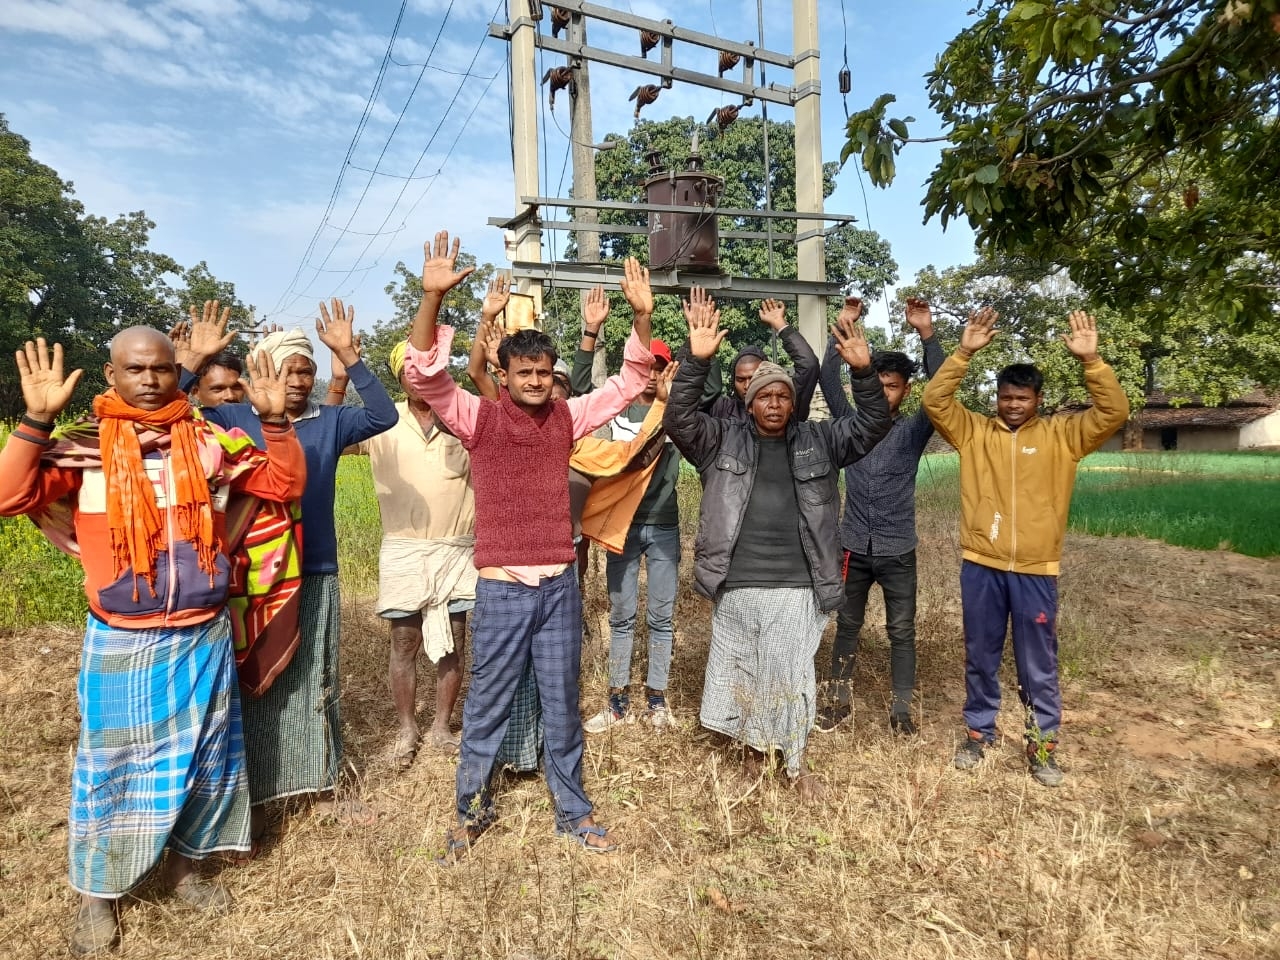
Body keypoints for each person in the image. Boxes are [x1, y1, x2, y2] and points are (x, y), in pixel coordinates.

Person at [0, 331, 306, 954]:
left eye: (162, 369)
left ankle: (186, 871)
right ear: (111, 377)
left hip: (202, 634)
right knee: (108, 766)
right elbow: (9, 496)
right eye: (135, 369)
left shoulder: (211, 444)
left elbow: (283, 484)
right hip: (122, 639)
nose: (149, 380)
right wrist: (35, 421)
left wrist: (274, 423)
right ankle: (97, 896)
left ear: (178, 375)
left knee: (204, 762)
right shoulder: (80, 450)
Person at [403, 231, 654, 860]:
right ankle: (468, 813)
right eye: (525, 373)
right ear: (505, 377)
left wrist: (642, 316)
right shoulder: (479, 417)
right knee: (485, 706)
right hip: (502, 590)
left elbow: (627, 384)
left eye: (545, 373)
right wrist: (431, 299)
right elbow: (427, 375)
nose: (537, 382)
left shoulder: (567, 417)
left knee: (564, 705)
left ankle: (573, 812)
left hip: (559, 589)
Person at [178, 299, 397, 829]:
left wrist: (349, 355)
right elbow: (167, 412)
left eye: (306, 369)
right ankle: (250, 789)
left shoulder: (331, 421)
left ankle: (320, 786)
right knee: (252, 677)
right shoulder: (230, 417)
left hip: (315, 566)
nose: (297, 380)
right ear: (262, 369)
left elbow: (385, 415)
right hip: (247, 573)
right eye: (286, 369)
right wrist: (191, 364)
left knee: (314, 673)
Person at [663, 298, 892, 799]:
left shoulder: (821, 440)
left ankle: (794, 763)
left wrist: (864, 373)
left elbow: (873, 424)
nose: (772, 404)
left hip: (797, 584)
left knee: (790, 674)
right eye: (763, 396)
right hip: (737, 582)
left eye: (782, 397)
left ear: (794, 403)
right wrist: (697, 361)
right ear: (749, 403)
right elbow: (677, 419)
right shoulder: (717, 440)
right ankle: (752, 758)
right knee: (743, 668)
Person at [922, 308, 1129, 786]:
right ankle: (978, 734)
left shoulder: (1064, 435)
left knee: (1039, 661)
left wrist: (1092, 361)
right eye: (1005, 396)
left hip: (1037, 568)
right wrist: (965, 351)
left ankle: (1042, 746)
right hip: (981, 565)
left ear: (1039, 399)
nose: (1012, 405)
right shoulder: (974, 432)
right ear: (996, 398)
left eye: (1022, 397)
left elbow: (1114, 412)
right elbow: (936, 401)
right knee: (981, 653)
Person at [570, 286, 715, 733]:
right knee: (622, 615)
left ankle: (656, 700)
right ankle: (616, 702)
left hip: (664, 527)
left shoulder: (674, 413)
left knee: (661, 617)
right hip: (622, 526)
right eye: (647, 365)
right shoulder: (610, 411)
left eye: (661, 365)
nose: (653, 374)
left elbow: (706, 392)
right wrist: (589, 333)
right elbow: (577, 391)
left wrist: (697, 352)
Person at [814, 296, 944, 734]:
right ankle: (837, 700)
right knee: (846, 625)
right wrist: (844, 326)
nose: (884, 392)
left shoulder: (913, 430)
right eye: (878, 384)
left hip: (897, 548)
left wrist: (927, 333)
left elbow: (943, 385)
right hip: (853, 545)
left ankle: (901, 710)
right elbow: (828, 378)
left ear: (905, 390)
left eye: (892, 386)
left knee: (901, 630)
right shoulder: (851, 422)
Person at [348, 338, 478, 769]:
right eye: (410, 370)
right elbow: (327, 435)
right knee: (404, 642)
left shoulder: (463, 418)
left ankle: (441, 726)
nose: (419, 378)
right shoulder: (381, 421)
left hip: (455, 550)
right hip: (403, 550)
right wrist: (339, 375)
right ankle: (407, 727)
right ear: (400, 377)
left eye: (428, 370)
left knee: (453, 642)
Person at [707, 298, 820, 422]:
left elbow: (809, 365)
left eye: (753, 377)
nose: (747, 385)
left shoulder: (783, 407)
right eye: (740, 379)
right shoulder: (722, 410)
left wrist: (782, 326)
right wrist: (698, 347)